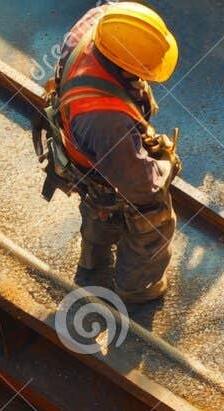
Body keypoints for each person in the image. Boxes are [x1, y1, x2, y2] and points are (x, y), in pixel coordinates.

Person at [48, 2, 180, 304]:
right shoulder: (106, 119)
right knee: (152, 217)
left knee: (98, 209)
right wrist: (165, 162)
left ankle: (92, 264)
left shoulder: (101, 21)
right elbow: (142, 186)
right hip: (99, 161)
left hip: (79, 147)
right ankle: (138, 288)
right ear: (123, 64)